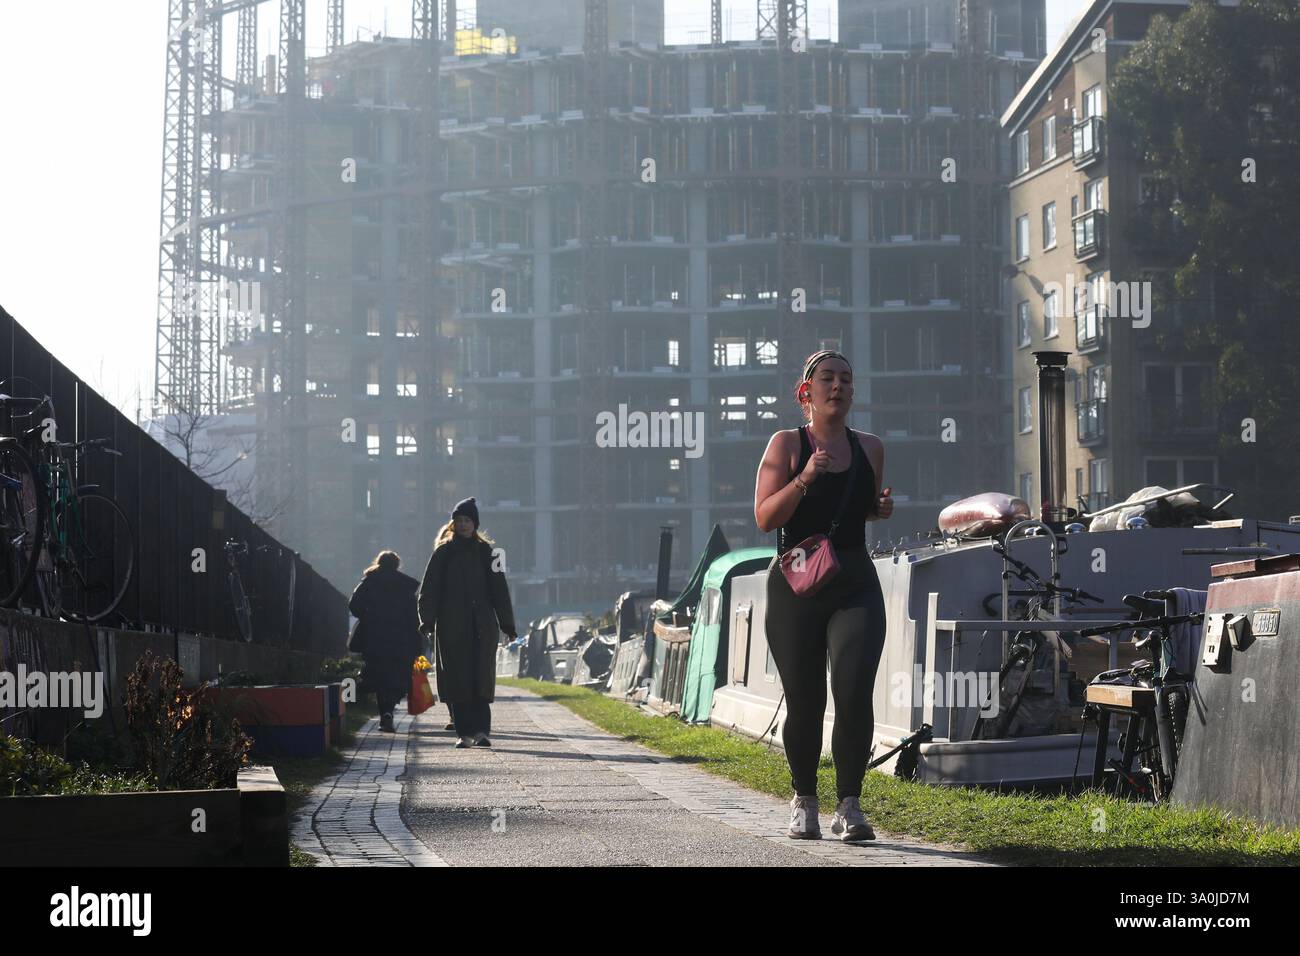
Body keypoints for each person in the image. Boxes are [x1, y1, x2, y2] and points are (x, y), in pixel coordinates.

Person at [753, 350, 894, 841]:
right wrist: (807, 476)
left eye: (847, 380)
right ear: (805, 392)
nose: (838, 386)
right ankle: (804, 800)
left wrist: (879, 509)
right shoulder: (786, 444)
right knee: (806, 701)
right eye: (828, 378)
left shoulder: (871, 447)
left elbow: (860, 513)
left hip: (853, 579)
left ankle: (850, 804)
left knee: (854, 691)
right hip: (795, 585)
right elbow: (766, 517)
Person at [417, 497, 518, 748]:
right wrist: (427, 621)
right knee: (457, 679)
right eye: (458, 521)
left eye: (467, 520)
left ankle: (482, 731)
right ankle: (463, 733)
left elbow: (500, 590)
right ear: (452, 524)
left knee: (481, 678)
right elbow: (429, 589)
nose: (463, 525)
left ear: (475, 524)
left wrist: (507, 624)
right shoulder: (443, 553)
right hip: (451, 626)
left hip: (483, 626)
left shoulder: (489, 553)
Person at [348, 551, 423, 733]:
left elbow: (354, 605)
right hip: (400, 637)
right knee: (395, 675)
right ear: (397, 565)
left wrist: (368, 616)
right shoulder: (406, 585)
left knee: (378, 673)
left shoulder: (369, 581)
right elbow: (414, 616)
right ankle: (389, 708)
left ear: (379, 563)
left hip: (373, 636)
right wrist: (416, 641)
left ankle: (379, 710)